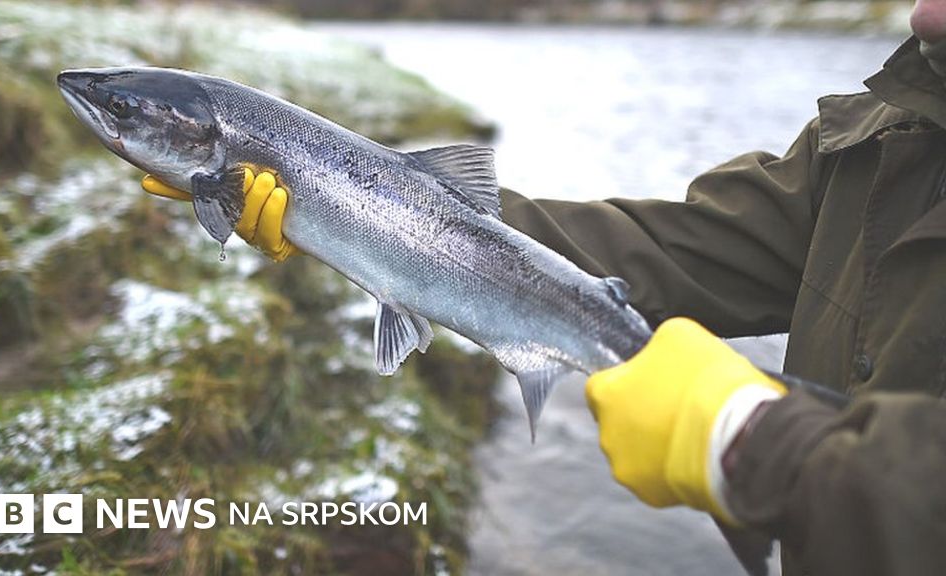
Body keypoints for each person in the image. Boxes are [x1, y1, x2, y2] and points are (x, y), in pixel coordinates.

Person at [141, 1, 946, 573]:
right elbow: (669, 251)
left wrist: (756, 441)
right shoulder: (881, 141)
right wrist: (376, 218)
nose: (921, 10)